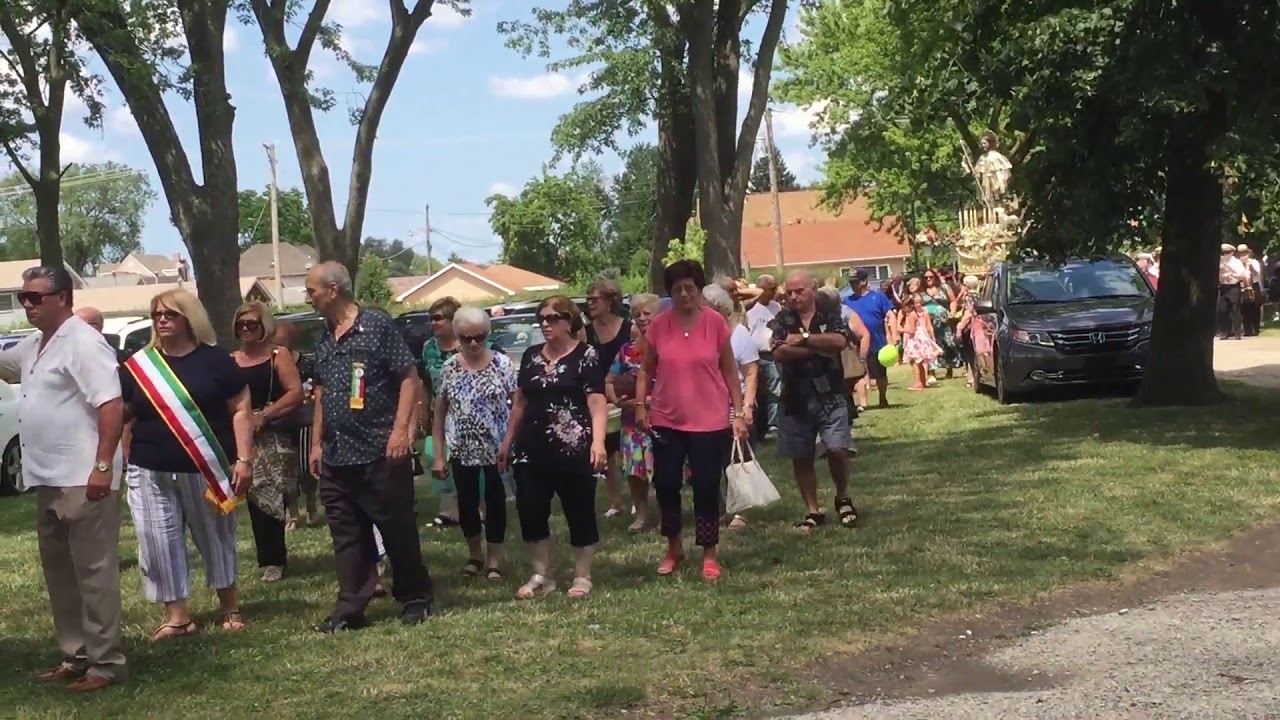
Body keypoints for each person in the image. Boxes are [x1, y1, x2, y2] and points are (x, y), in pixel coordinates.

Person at [0, 267, 125, 692]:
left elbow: (110, 405)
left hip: (84, 477)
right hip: (47, 478)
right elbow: (3, 365)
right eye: (22, 298)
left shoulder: (85, 343)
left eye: (36, 297)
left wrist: (103, 465)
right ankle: (75, 654)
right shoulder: (34, 345)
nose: (28, 305)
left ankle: (106, 663)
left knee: (95, 573)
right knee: (61, 574)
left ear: (63, 297)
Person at [306, 262, 434, 632]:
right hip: (336, 454)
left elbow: (409, 378)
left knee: (396, 529)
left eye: (312, 290)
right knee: (347, 536)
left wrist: (400, 432)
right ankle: (351, 608)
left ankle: (415, 596)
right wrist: (316, 444)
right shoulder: (327, 336)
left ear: (333, 289)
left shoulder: (377, 326)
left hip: (378, 450)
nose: (308, 297)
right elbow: (322, 394)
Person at [120, 288, 254, 640]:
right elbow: (125, 414)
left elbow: (241, 409)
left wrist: (244, 459)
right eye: (156, 315)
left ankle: (230, 606)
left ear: (189, 318)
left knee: (215, 537)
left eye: (170, 314)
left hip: (205, 467)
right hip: (149, 467)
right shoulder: (139, 366)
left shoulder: (216, 360)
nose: (161, 320)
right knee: (158, 541)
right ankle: (177, 615)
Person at [635, 260, 747, 581]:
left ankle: (709, 554)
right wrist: (641, 406)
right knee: (667, 484)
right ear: (669, 292)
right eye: (677, 289)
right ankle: (674, 547)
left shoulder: (714, 323)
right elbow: (645, 370)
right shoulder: (658, 325)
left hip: (710, 420)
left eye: (690, 288)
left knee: (706, 486)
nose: (684, 294)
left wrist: (738, 413)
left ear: (698, 290)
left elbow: (729, 369)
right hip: (667, 418)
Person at [499, 296, 608, 599]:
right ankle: (541, 574)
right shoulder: (532, 356)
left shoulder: (586, 355)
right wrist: (508, 441)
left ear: (569, 321)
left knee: (579, 509)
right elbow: (520, 401)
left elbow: (597, 401)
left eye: (553, 318)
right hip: (531, 448)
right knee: (530, 510)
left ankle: (582, 575)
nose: (546, 324)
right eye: (542, 318)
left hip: (574, 447)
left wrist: (598, 443)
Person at [431, 306, 516, 581]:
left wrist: (511, 441)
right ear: (458, 337)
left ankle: (495, 560)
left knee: (495, 502)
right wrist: (439, 456)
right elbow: (440, 412)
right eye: (467, 338)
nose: (474, 343)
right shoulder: (450, 367)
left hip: (496, 447)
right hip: (462, 447)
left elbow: (518, 406)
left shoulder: (502, 364)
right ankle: (474, 555)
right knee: (466, 504)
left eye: (479, 336)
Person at [773, 270, 859, 531]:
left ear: (813, 289)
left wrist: (804, 339)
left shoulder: (829, 312)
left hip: (830, 394)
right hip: (795, 396)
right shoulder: (783, 317)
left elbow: (840, 341)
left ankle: (843, 498)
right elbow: (778, 351)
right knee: (801, 455)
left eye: (799, 291)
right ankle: (813, 510)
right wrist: (817, 348)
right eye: (789, 292)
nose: (793, 296)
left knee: (836, 449)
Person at [232, 303, 303, 582]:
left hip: (272, 433)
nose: (246, 329)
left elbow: (295, 392)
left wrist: (264, 415)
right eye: (241, 324)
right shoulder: (231, 359)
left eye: (252, 324)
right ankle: (266, 556)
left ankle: (275, 559)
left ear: (265, 326)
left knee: (270, 493)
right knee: (252, 494)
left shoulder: (278, 354)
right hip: (242, 436)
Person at [702, 283, 758, 529]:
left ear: (719, 308)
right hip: (708, 407)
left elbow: (751, 372)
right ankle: (722, 507)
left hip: (734, 406)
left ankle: (742, 512)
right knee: (713, 461)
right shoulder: (705, 335)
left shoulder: (738, 334)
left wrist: (746, 408)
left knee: (737, 460)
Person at [606, 293, 660, 533]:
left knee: (665, 470)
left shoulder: (669, 344)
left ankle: (666, 513)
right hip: (632, 421)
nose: (642, 318)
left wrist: (650, 400)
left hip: (663, 417)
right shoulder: (626, 351)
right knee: (635, 471)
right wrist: (618, 400)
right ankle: (641, 515)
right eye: (637, 314)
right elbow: (608, 380)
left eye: (647, 313)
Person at [583, 278, 631, 518]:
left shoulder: (628, 327)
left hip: (625, 394)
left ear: (610, 300)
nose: (590, 304)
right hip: (599, 399)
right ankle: (614, 501)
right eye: (588, 300)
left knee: (629, 449)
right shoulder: (587, 330)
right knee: (607, 451)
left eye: (595, 299)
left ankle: (637, 497)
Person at [421, 297, 463, 528]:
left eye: (438, 318)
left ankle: (478, 509)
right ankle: (449, 510)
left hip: (467, 413)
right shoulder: (429, 348)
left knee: (467, 461)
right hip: (439, 413)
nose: (433, 323)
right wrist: (422, 410)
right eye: (431, 319)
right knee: (437, 457)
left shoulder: (470, 343)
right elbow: (424, 381)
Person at [274, 321, 321, 528]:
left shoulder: (307, 363)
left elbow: (318, 389)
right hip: (281, 422)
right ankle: (292, 513)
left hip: (304, 420)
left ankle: (311, 503)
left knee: (304, 468)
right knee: (285, 470)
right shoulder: (271, 365)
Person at [843, 270, 895, 408]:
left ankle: (883, 398)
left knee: (880, 374)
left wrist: (893, 335)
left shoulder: (878, 297)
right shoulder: (847, 301)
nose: (853, 284)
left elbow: (890, 314)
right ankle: (862, 402)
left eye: (856, 281)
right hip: (856, 342)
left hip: (877, 342)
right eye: (851, 282)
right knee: (859, 372)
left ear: (864, 281)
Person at [744, 274, 782, 438]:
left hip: (772, 354)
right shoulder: (750, 308)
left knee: (775, 389)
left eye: (775, 288)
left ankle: (773, 425)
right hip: (753, 355)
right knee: (756, 391)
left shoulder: (776, 307)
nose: (774, 292)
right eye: (771, 289)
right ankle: (756, 426)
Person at [902, 293, 944, 390]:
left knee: (917, 361)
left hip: (918, 338)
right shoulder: (915, 313)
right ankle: (923, 381)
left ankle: (919, 382)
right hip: (921, 337)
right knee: (920, 361)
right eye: (916, 302)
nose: (918, 304)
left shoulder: (914, 314)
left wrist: (901, 330)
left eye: (920, 302)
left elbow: (922, 328)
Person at [1218, 244, 1247, 340]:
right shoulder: (1220, 262)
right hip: (1224, 286)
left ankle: (1237, 332)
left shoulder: (1236, 262)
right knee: (1223, 309)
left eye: (1227, 252)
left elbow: (1243, 275)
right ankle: (1225, 332)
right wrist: (1222, 276)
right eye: (1223, 252)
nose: (1225, 254)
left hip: (1234, 286)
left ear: (1232, 253)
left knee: (1235, 309)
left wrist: (1232, 274)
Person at [1239, 244, 1263, 336]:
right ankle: (1247, 330)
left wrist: (1250, 266)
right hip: (1243, 285)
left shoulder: (1254, 262)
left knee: (1255, 307)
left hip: (1254, 285)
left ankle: (1255, 328)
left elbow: (1257, 273)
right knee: (1245, 308)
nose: (1243, 255)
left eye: (1245, 253)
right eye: (1241, 253)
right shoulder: (1238, 263)